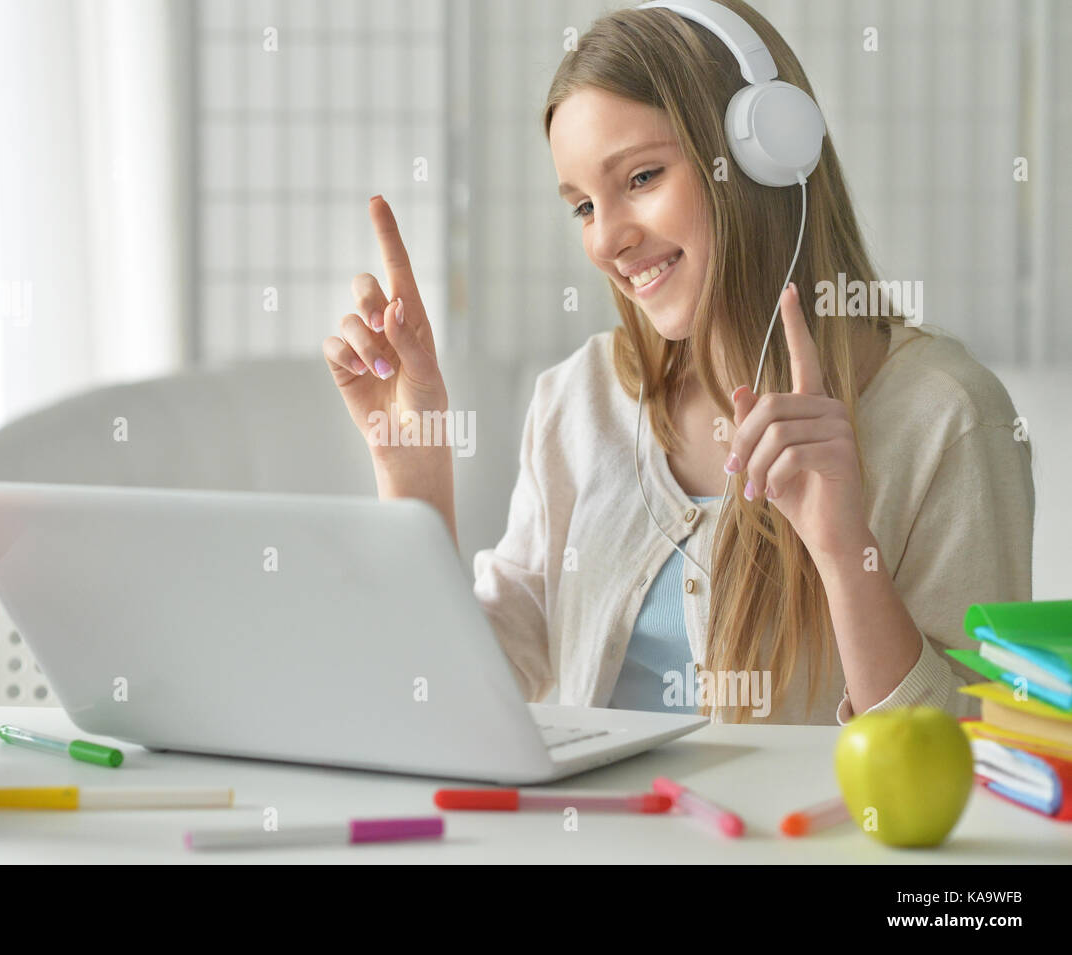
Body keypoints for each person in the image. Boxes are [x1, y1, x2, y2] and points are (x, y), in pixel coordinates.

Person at [321, 0, 1033, 724]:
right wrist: (411, 468)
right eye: (583, 207)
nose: (604, 243)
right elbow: (448, 697)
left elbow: (975, 760)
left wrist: (844, 549)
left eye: (640, 178)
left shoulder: (949, 417)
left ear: (766, 154)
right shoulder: (578, 400)